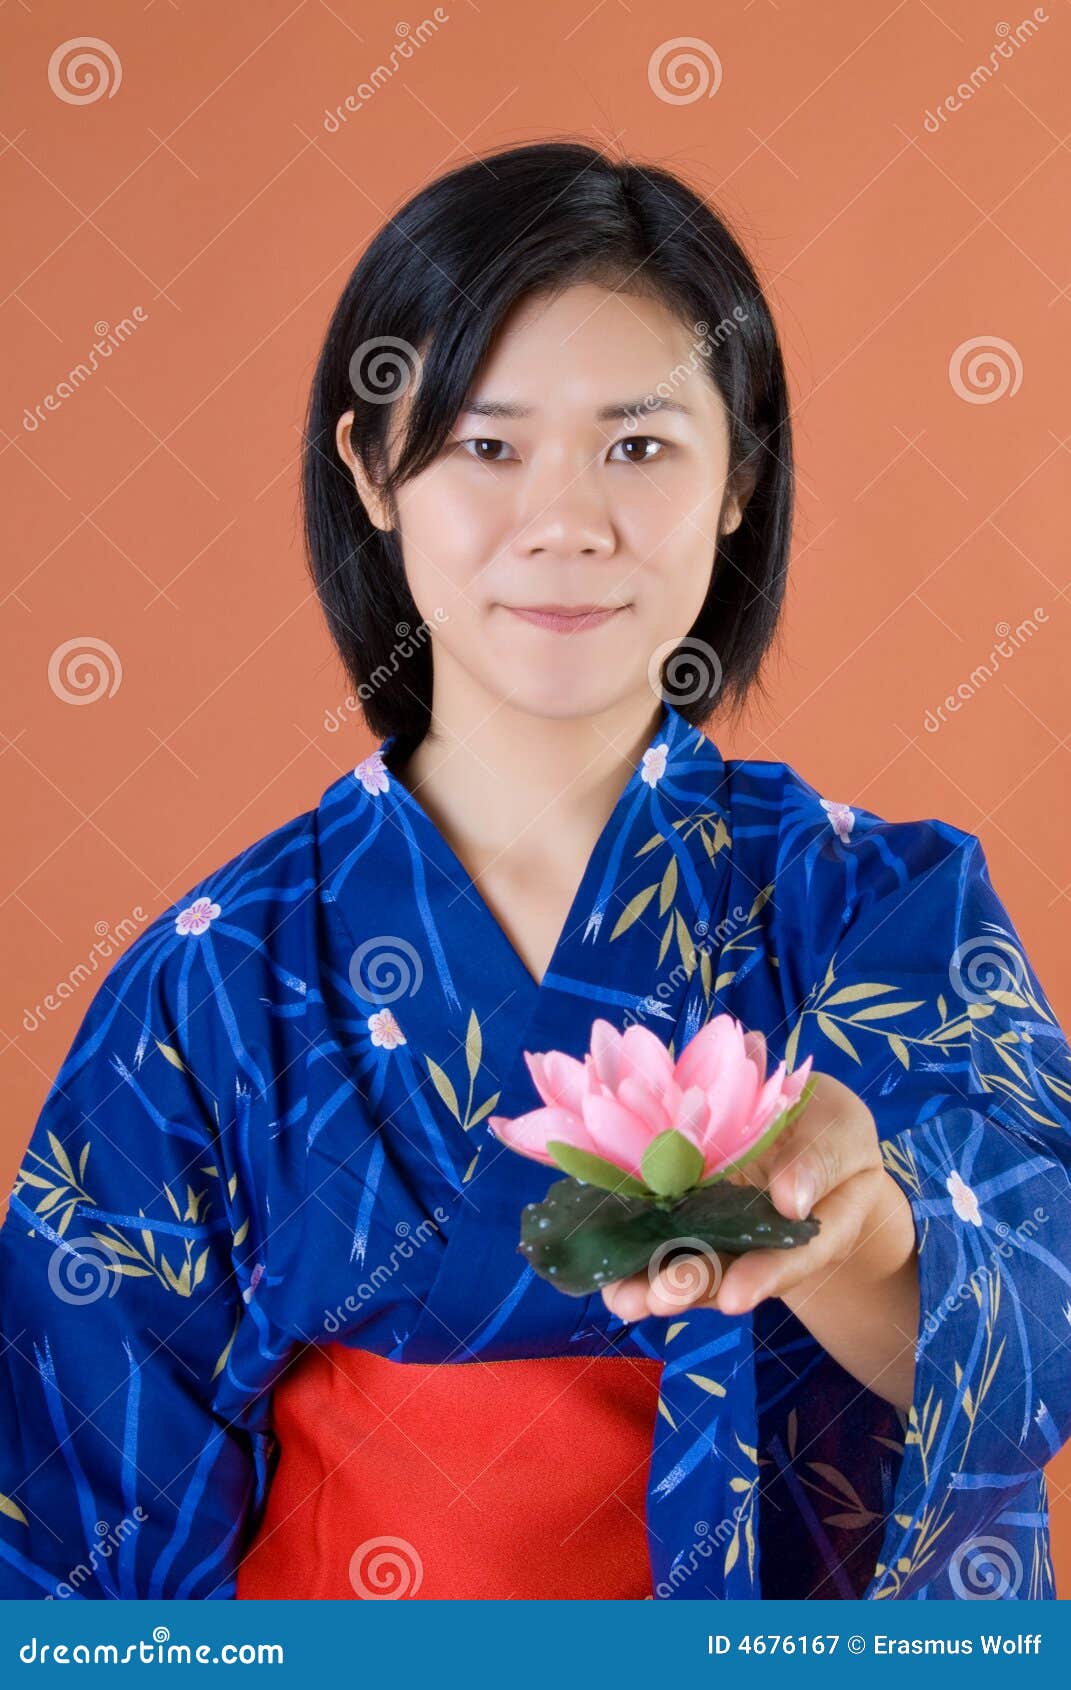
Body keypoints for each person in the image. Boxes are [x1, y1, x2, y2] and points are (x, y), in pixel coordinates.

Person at [2, 139, 1069, 1602]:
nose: (564, 521)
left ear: (741, 472)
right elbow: (66, 1524)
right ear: (375, 469)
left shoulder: (877, 915)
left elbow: (1031, 1344)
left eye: (639, 445)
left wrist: (853, 1234)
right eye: (486, 446)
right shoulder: (216, 977)